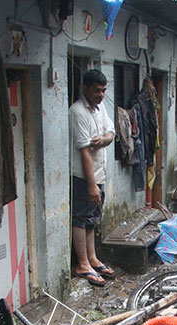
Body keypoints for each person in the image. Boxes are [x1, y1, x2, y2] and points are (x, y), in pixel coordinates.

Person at [69, 69, 116, 287]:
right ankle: (82, 264)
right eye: (97, 90)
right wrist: (91, 185)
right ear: (85, 88)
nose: (101, 95)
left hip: (99, 173)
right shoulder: (78, 112)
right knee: (80, 218)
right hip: (84, 177)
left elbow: (111, 133)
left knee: (92, 217)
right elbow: (84, 151)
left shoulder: (100, 108)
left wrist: (104, 140)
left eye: (104, 90)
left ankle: (92, 259)